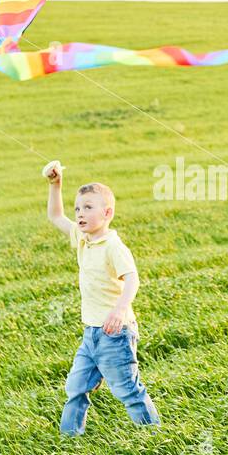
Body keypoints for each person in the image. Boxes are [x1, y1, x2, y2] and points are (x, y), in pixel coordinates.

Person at [43, 161, 161, 436]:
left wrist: (120, 310)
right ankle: (69, 440)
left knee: (128, 389)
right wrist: (55, 184)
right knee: (76, 387)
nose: (80, 213)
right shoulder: (82, 238)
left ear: (107, 213)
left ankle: (155, 438)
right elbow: (55, 216)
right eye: (78, 208)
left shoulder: (113, 246)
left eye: (88, 207)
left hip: (115, 332)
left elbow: (133, 278)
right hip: (91, 334)